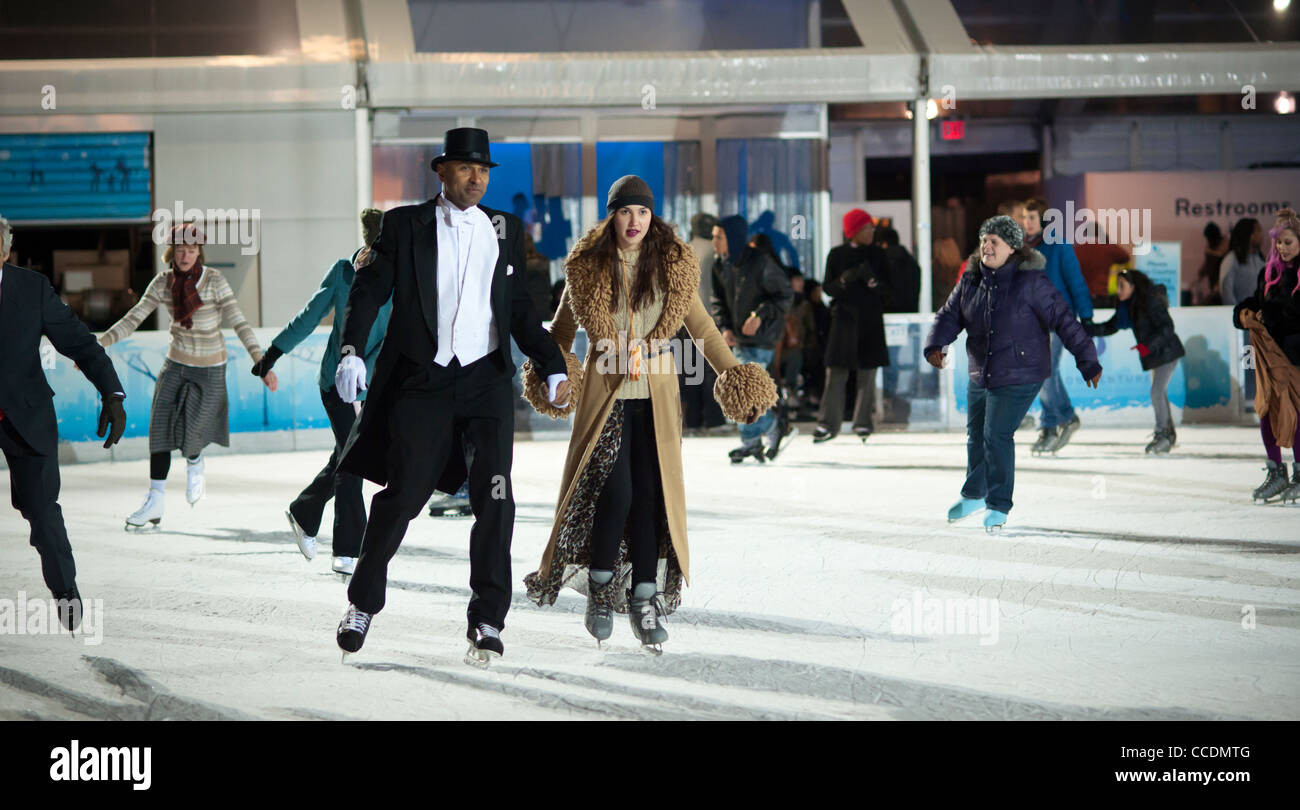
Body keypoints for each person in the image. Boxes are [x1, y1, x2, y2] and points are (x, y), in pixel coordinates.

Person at [331, 128, 572, 666]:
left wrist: (551, 362)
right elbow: (368, 292)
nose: (476, 177)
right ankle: (361, 603)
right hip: (425, 381)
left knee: (496, 496)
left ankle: (488, 618)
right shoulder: (403, 225)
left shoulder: (505, 231)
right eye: (465, 167)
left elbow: (518, 311)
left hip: (486, 382)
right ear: (441, 171)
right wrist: (351, 349)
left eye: (484, 170)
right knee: (404, 495)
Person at [521, 175, 776, 652]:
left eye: (642, 212)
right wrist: (552, 374)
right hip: (605, 396)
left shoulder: (673, 265)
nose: (634, 221)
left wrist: (734, 375)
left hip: (657, 399)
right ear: (611, 216)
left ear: (652, 215)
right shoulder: (586, 267)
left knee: (649, 498)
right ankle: (600, 588)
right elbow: (559, 332)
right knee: (613, 491)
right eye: (625, 212)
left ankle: (644, 596)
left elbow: (702, 328)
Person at [925, 215, 1102, 532]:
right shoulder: (971, 279)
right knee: (976, 434)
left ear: (1012, 247)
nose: (986, 246)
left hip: (1024, 370)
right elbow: (950, 314)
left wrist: (1087, 358)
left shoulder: (1031, 281)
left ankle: (998, 504)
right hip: (983, 369)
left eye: (994, 241)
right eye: (983, 239)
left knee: (996, 434)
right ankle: (975, 494)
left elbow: (1064, 320)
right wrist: (936, 343)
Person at [99, 222, 274, 531]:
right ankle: (155, 500)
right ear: (171, 252)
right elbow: (134, 318)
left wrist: (261, 362)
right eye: (180, 250)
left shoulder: (215, 281)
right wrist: (99, 345)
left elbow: (239, 322)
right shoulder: (162, 283)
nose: (185, 256)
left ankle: (194, 459)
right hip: (176, 363)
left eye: (191, 250)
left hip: (210, 368)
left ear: (199, 252)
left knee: (191, 434)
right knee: (160, 428)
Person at [0, 215, 127, 631]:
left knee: (40, 509)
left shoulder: (31, 290)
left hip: (26, 414)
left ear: (5, 252)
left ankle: (65, 590)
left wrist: (111, 393)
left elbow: (80, 344)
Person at [252, 209, 392, 576]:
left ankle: (304, 510)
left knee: (346, 455)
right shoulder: (344, 273)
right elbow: (309, 315)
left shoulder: (397, 280)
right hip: (334, 382)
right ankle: (348, 550)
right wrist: (271, 354)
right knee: (353, 461)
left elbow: (392, 339)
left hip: (368, 386)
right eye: (371, 243)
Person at [711, 214, 795, 462]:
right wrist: (724, 327)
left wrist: (759, 315)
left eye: (719, 237)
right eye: (714, 237)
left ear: (733, 238)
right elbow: (718, 302)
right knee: (742, 390)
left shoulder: (760, 261)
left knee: (741, 389)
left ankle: (765, 430)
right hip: (737, 337)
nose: (715, 242)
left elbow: (784, 294)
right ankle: (758, 437)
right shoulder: (720, 264)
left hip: (762, 338)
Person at [1231, 208, 1300, 504]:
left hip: (1295, 355)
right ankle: (1276, 472)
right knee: (1265, 411)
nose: (1282, 248)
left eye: (1289, 242)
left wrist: (1269, 315)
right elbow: (1258, 300)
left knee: (1295, 416)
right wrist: (1245, 312)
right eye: (1279, 243)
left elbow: (1294, 312)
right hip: (1269, 356)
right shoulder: (1268, 272)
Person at [1020, 197, 1094, 455]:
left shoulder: (1059, 245)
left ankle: (1064, 418)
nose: (1027, 223)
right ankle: (1051, 425)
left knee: (1044, 374)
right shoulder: (1023, 249)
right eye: (1024, 218)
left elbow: (1075, 280)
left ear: (1042, 219)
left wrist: (1086, 316)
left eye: (1031, 218)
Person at [1085, 270, 1185, 454]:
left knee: (1157, 391)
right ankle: (1168, 433)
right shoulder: (1128, 306)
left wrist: (1148, 346)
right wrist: (1086, 330)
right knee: (1159, 392)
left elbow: (1167, 327)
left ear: (1133, 286)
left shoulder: (1149, 301)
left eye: (1122, 286)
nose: (1119, 290)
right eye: (1118, 286)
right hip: (1155, 354)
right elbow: (1110, 326)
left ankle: (1163, 433)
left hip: (1167, 352)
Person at [814, 208, 890, 443]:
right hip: (844, 320)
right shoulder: (836, 255)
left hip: (870, 320)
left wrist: (872, 281)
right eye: (866, 228)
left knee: (867, 374)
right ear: (854, 231)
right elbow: (827, 289)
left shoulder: (878, 255)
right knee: (836, 372)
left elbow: (888, 290)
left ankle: (863, 422)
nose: (871, 231)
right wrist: (843, 280)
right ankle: (828, 423)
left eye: (871, 228)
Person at [680, 212, 726, 434]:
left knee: (690, 371)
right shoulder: (715, 251)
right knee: (712, 369)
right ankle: (714, 418)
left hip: (684, 319)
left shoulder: (683, 249)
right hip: (710, 317)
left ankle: (693, 419)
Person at [1220, 218, 1266, 307]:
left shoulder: (1260, 259)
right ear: (1250, 235)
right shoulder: (1232, 259)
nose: (1261, 235)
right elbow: (1227, 291)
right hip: (1240, 315)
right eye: (1258, 231)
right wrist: (1236, 313)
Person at [1191, 221, 1228, 306]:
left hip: (1223, 289)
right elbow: (1207, 264)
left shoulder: (1227, 249)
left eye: (1210, 239)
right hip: (1213, 286)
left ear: (1215, 238)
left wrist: (1217, 288)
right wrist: (1202, 272)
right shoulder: (1210, 246)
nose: (1209, 242)